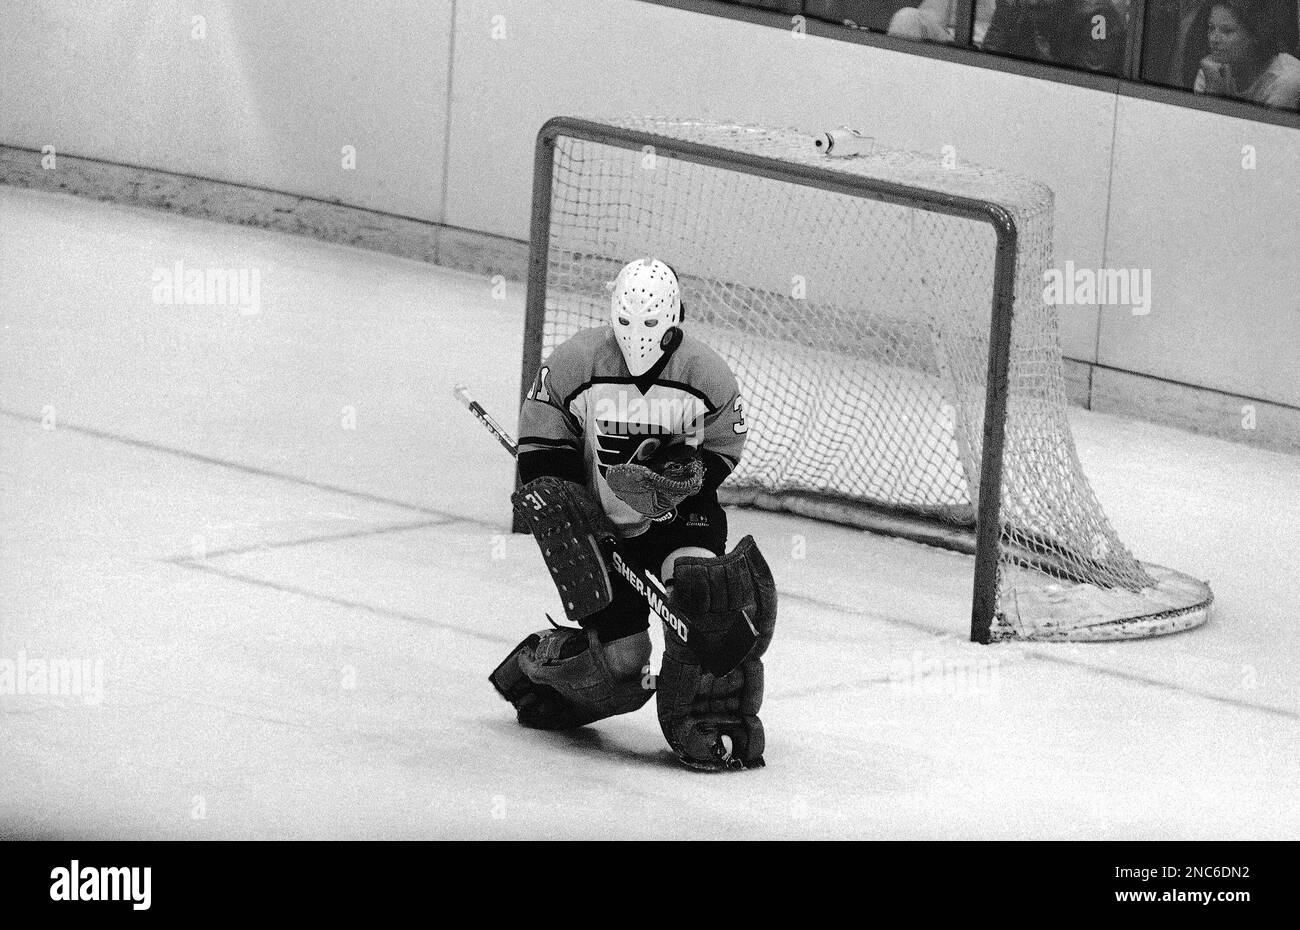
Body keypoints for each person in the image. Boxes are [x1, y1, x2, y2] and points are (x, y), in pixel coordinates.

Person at [489, 258, 777, 771]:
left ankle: (713, 713)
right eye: (625, 323)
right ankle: (539, 666)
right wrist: (559, 492)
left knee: (706, 592)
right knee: (623, 673)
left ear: (674, 318)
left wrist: (687, 475)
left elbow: (725, 445)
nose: (636, 336)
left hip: (679, 517)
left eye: (649, 324)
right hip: (597, 523)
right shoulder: (576, 362)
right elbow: (541, 436)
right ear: (611, 314)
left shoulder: (706, 373)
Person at [1194, 0, 1300, 108]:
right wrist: (1212, 87)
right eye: (1211, 28)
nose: (1213, 39)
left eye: (1227, 31)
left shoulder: (1286, 80)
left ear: (1256, 35)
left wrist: (1215, 92)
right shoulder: (1211, 70)